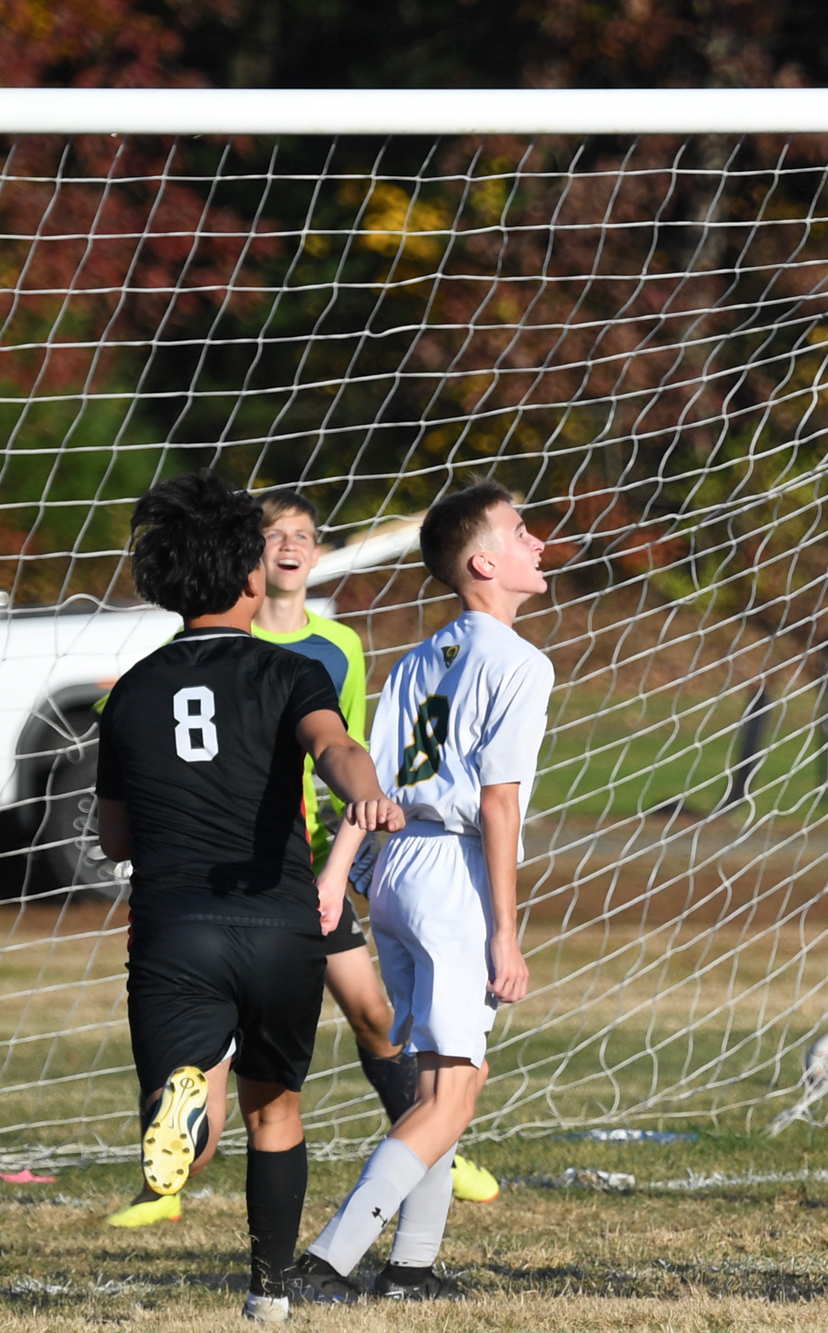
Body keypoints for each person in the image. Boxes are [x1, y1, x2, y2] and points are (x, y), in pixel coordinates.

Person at [91, 472, 404, 1323]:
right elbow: (334, 746)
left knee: (185, 1108)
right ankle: (268, 1293)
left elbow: (115, 840)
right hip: (277, 922)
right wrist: (364, 790)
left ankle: (179, 1106)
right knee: (278, 1109)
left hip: (174, 927)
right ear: (251, 577)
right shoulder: (288, 671)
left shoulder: (129, 693)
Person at [288, 481, 552, 1302]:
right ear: (483, 561)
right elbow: (500, 803)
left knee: (444, 1081)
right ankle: (328, 1259)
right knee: (450, 1088)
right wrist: (505, 933)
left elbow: (371, 777)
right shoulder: (518, 662)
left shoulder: (416, 656)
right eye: (519, 531)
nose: (536, 541)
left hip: (398, 867)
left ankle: (411, 1269)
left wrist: (348, 870)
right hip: (452, 873)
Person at [252, 489, 502, 1204]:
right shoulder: (232, 634)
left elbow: (356, 756)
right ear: (254, 550)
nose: (291, 546)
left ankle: (434, 1145)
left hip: (314, 860)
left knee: (374, 1012)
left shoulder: (340, 647)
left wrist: (351, 854)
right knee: (234, 1030)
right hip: (246, 857)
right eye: (275, 535)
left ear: (319, 550)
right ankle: (170, 1175)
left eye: (304, 533)